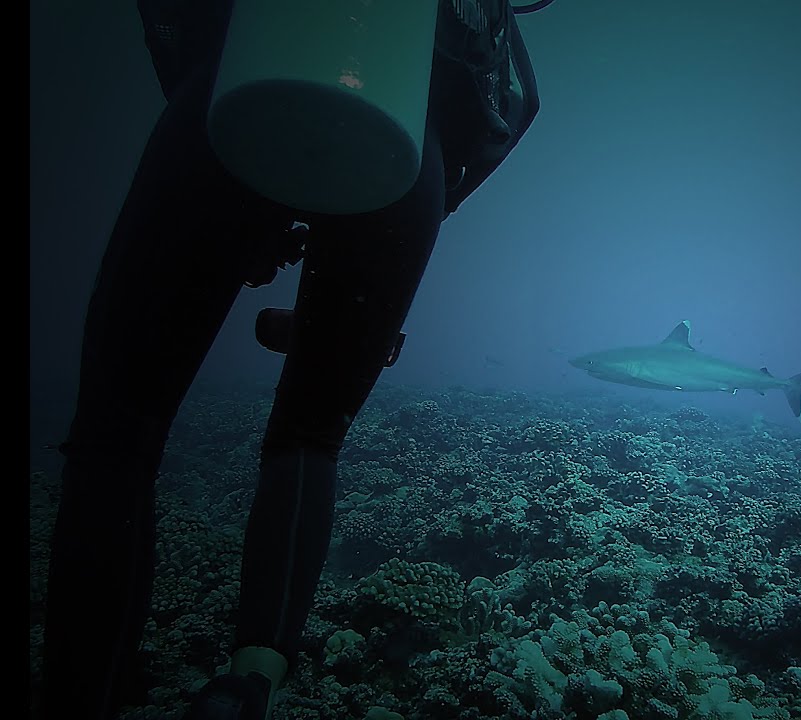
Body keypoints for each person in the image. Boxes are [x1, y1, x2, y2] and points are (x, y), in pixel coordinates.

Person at [37, 1, 556, 718]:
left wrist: (230, 159)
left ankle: (81, 696)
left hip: (226, 106)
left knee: (116, 436)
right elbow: (519, 108)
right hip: (411, 150)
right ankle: (247, 687)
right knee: (309, 437)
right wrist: (417, 214)